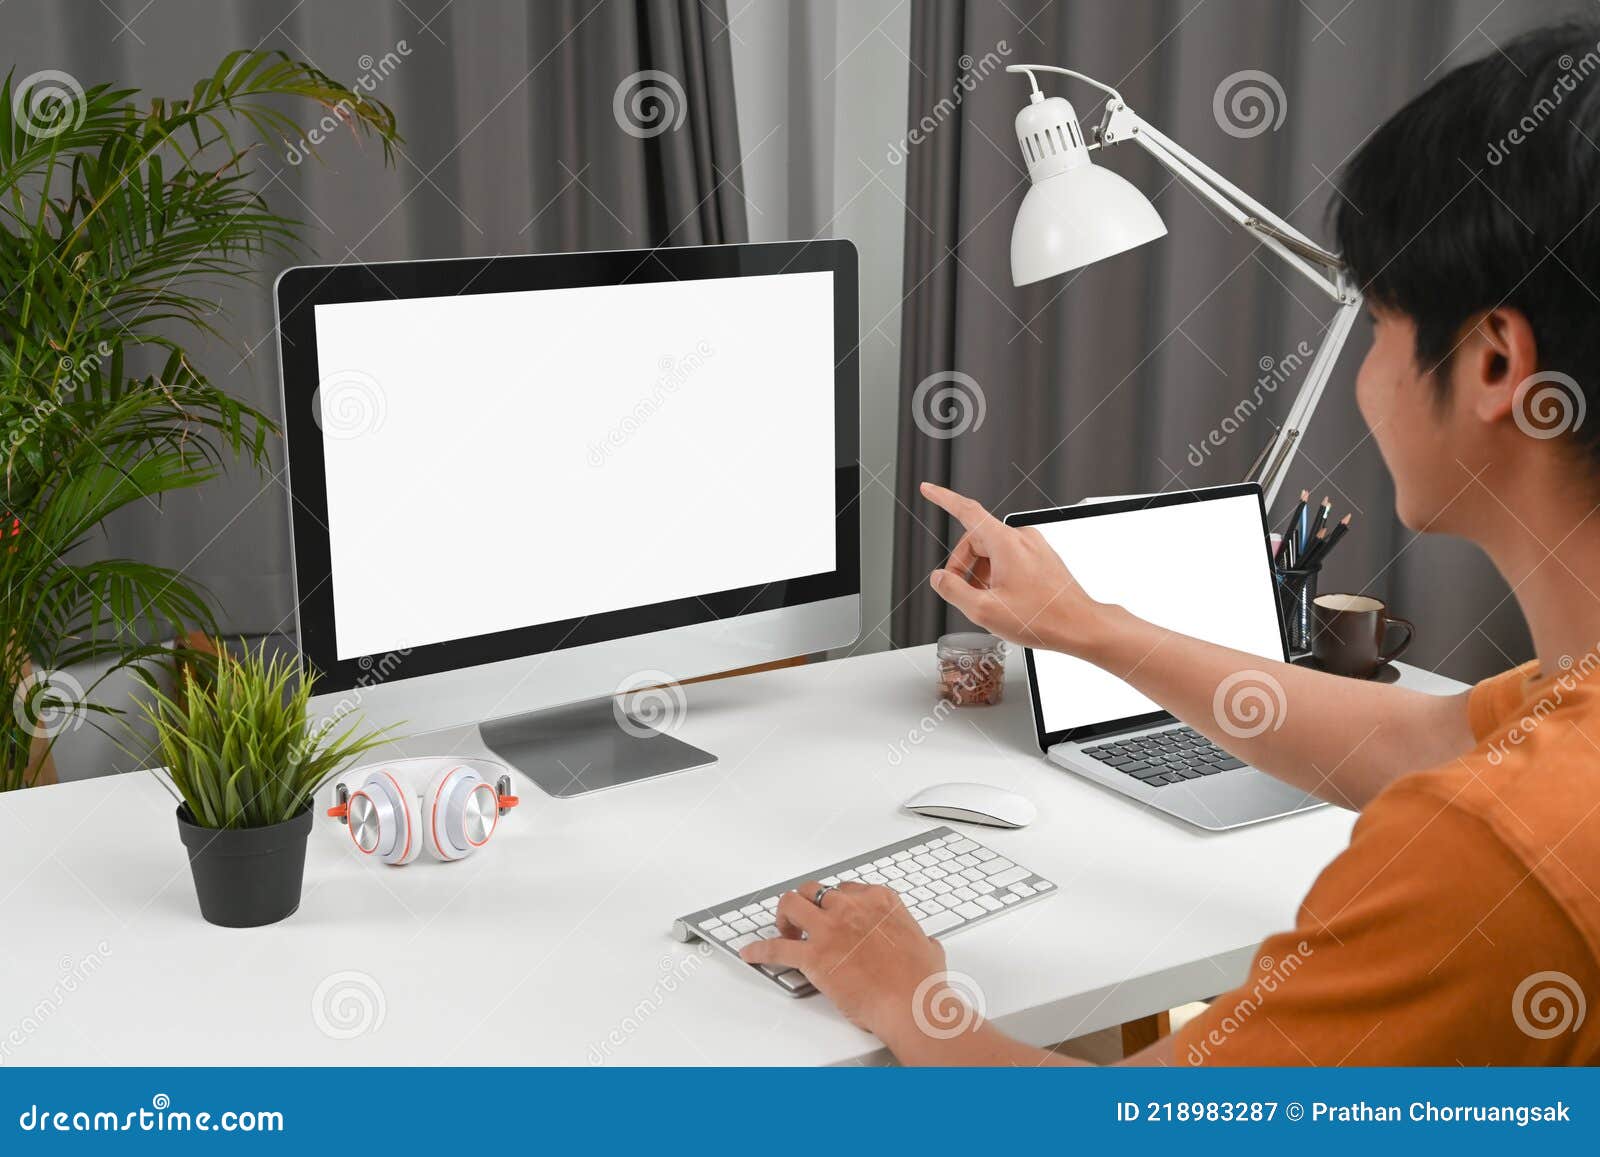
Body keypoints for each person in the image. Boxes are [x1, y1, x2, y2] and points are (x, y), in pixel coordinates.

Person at [740, 20, 1600, 1065]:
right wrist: (1082, 625)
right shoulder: (1568, 713)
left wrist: (910, 995)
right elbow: (1414, 742)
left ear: (1495, 363)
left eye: (1373, 321)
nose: (1365, 370)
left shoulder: (1494, 856)